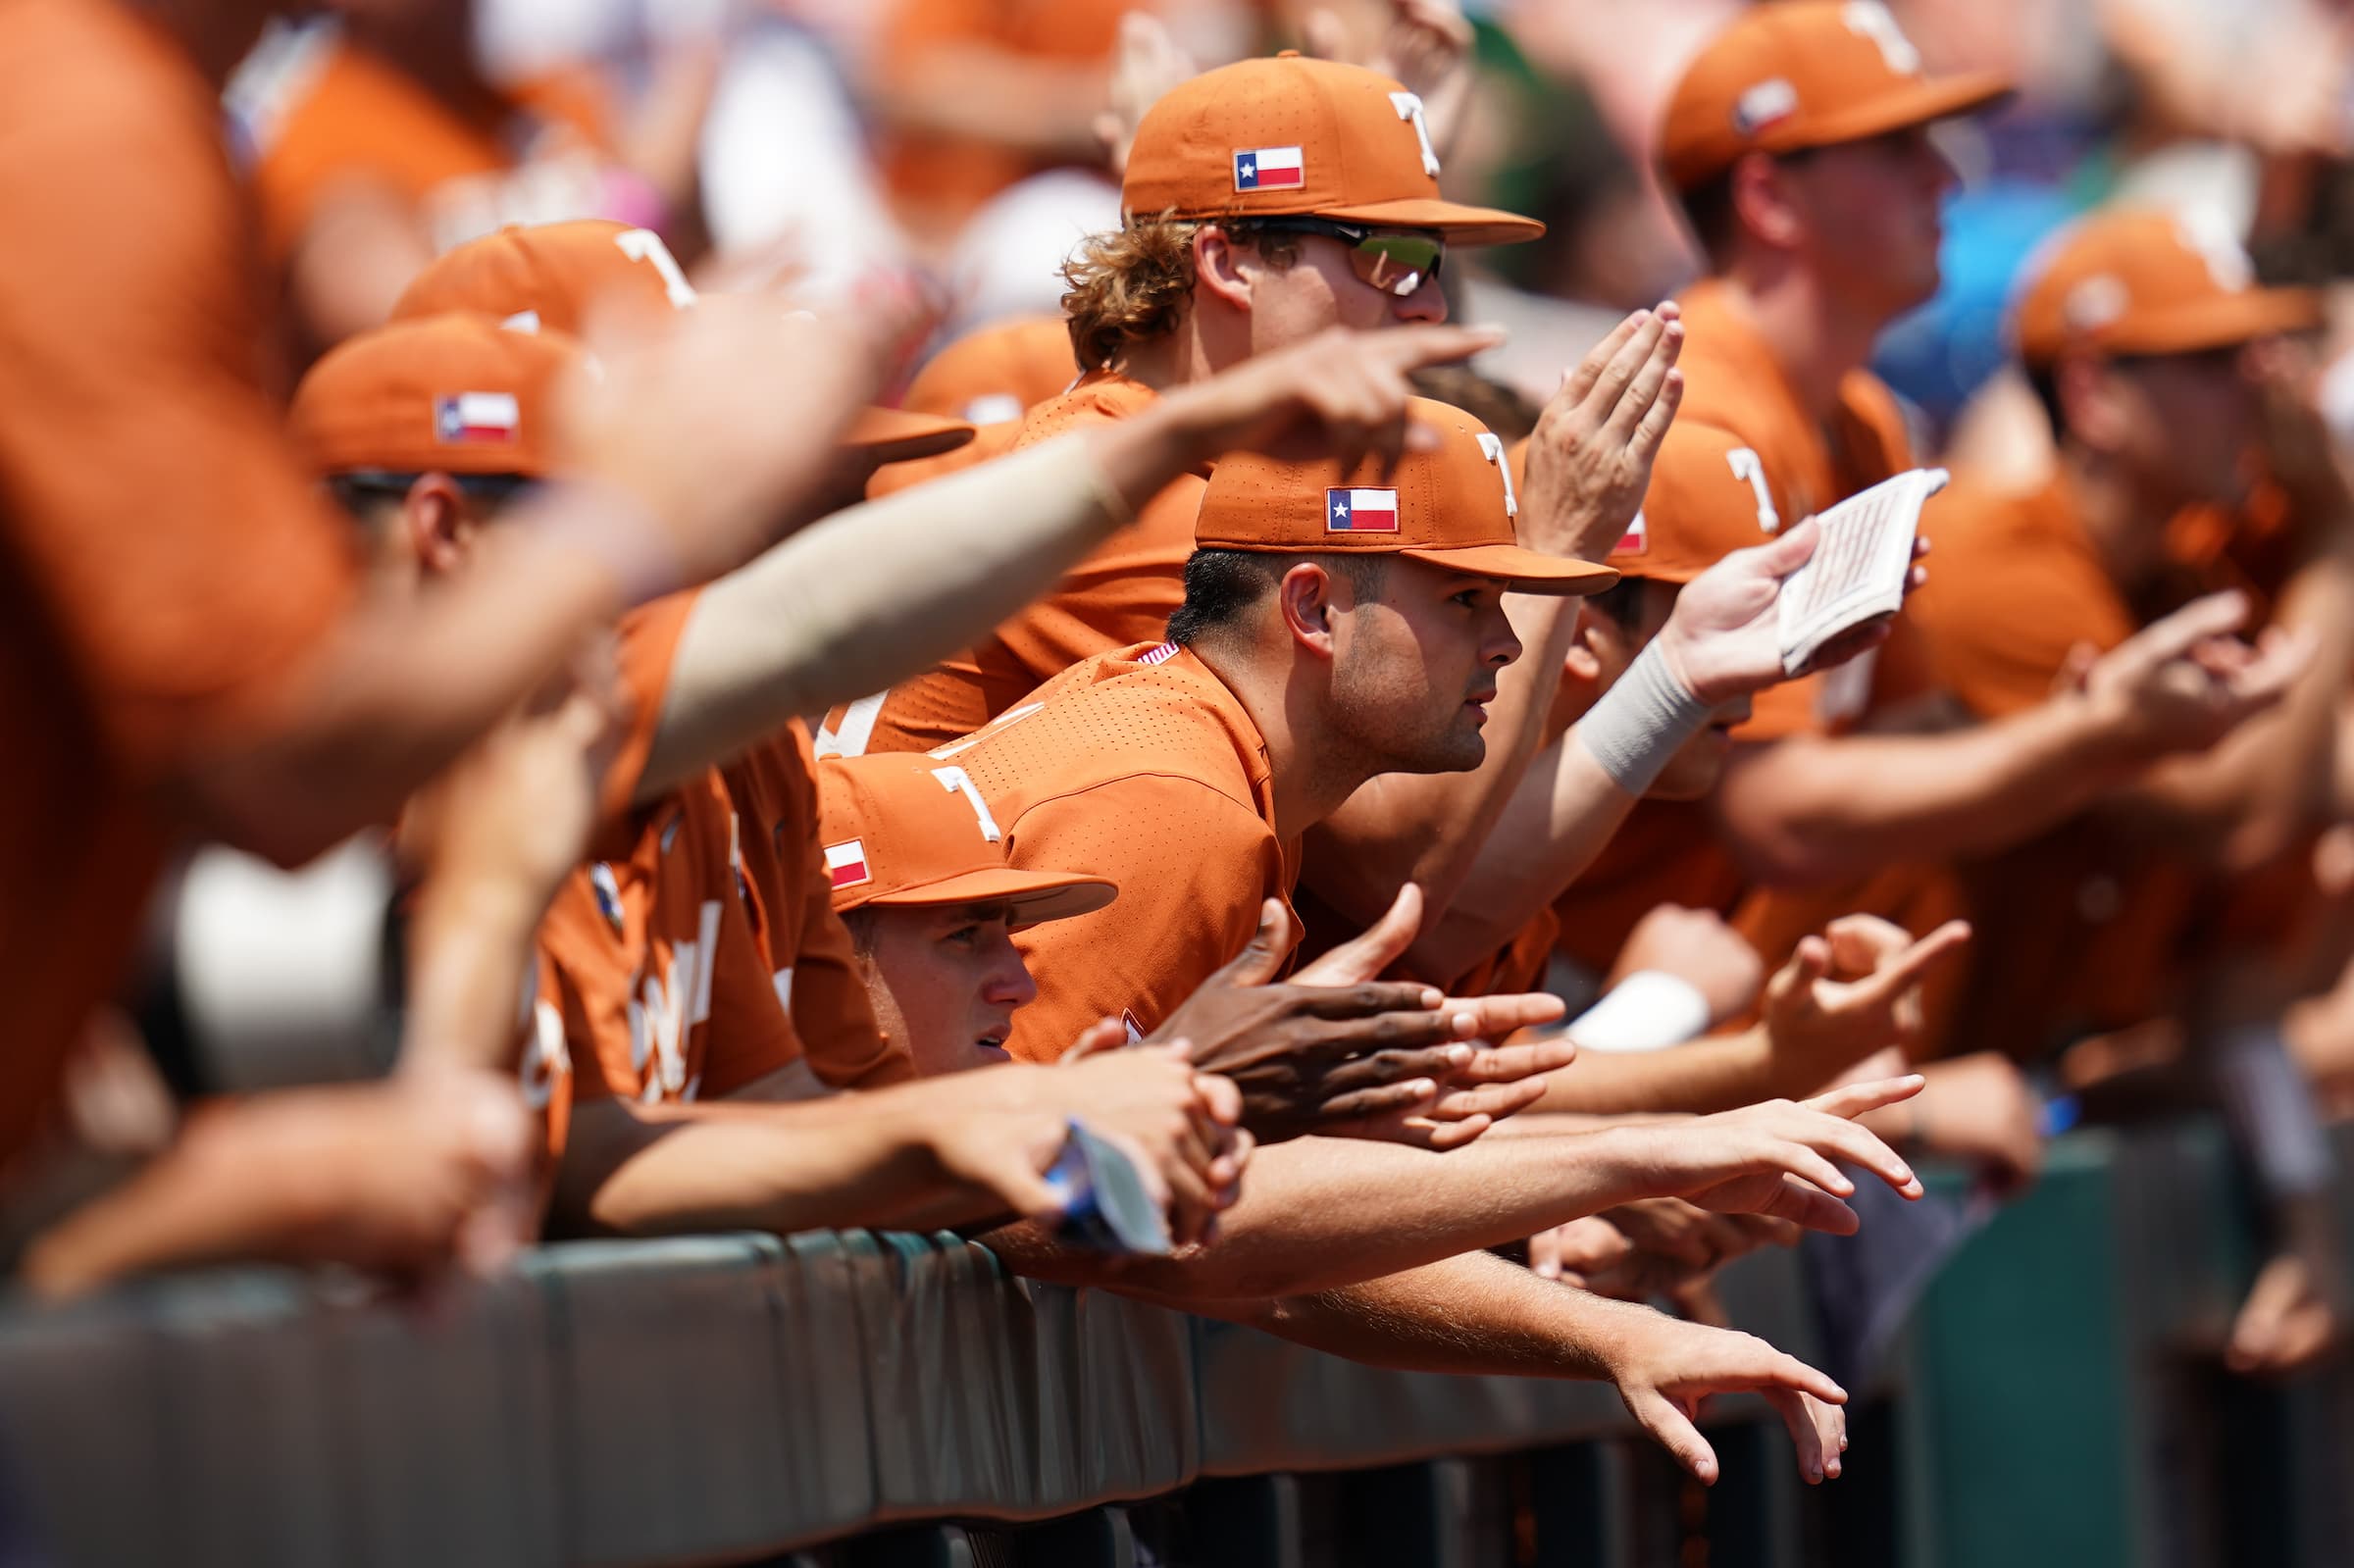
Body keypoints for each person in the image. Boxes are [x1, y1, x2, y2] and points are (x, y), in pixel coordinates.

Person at [0, 0, 907, 1181]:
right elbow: (280, 757)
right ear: (438, 524)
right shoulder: (80, 122)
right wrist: (633, 511)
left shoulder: (121, 108)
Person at [1544, 0, 2301, 1183]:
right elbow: (1780, 815)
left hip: (1770, 1051)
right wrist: (2091, 736)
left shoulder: (1859, 417)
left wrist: (2073, 735)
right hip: (1604, 1032)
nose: (1944, 178)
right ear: (1769, 197)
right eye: (1894, 149)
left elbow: (1919, 729)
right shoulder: (1696, 423)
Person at [816, 724, 1931, 1492]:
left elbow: (1233, 1253)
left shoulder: (977, 1134)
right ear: (827, 955)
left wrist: (1616, 1324)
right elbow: (1197, 1236)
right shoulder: (937, 1143)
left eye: (1011, 938)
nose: (1016, 981)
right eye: (963, 939)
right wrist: (1636, 1159)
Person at [824, 49, 1561, 757]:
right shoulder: (1161, 512)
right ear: (1226, 261)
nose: (1431, 304)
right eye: (1389, 258)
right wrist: (1566, 540)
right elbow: (1397, 850)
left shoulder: (1172, 465)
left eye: (1432, 262)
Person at [1910, 206, 2354, 1371]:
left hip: (2003, 1137)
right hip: (1845, 1126)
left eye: (2264, 356)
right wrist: (2335, 550)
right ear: (2097, 393)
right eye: (2215, 362)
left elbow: (2235, 973)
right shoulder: (1989, 561)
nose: (2260, 392)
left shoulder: (2191, 568)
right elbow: (2237, 816)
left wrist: (2301, 1202)